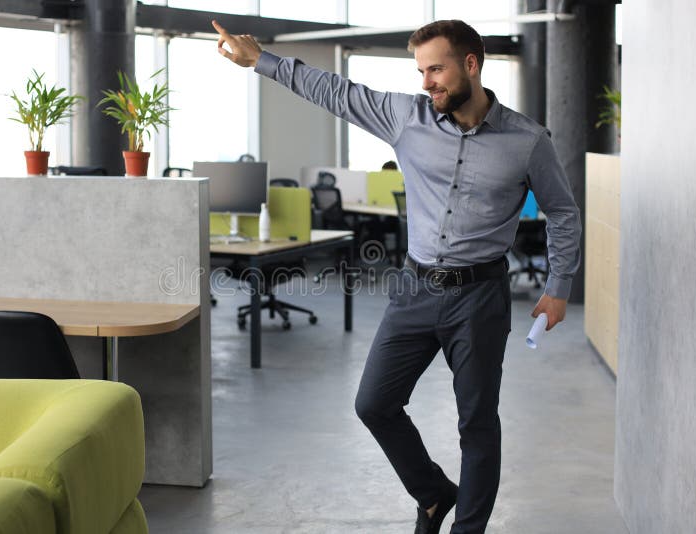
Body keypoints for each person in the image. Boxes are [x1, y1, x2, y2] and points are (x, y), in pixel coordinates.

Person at [212, 18, 581, 534]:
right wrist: (262, 61)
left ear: (470, 65)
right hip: (414, 288)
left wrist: (558, 287)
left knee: (476, 424)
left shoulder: (527, 141)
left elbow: (563, 212)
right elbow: (336, 91)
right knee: (374, 403)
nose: (425, 81)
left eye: (436, 69)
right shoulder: (407, 118)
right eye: (420, 70)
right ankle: (433, 493)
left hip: (480, 295)